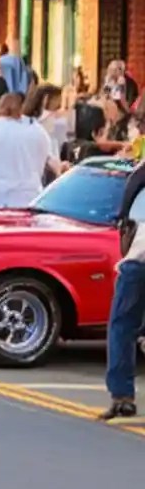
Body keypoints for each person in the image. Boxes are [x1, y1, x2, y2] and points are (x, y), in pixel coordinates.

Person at [102, 157, 145, 420]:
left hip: (139, 258)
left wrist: (121, 214)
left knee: (122, 326)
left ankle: (122, 397)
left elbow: (136, 180)